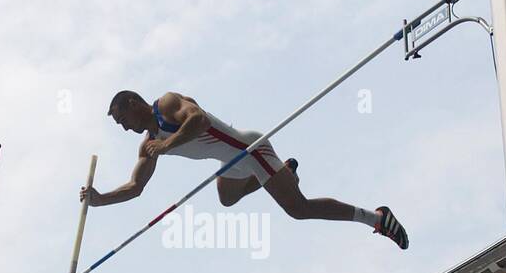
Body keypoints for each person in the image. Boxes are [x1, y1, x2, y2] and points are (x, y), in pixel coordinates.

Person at [80, 91, 409, 249]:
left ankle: (378, 218)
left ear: (134, 105)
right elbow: (136, 187)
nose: (124, 129)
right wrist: (98, 199)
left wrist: (168, 145)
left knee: (298, 209)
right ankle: (285, 173)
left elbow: (199, 120)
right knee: (226, 199)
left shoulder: (166, 105)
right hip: (230, 163)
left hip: (249, 150)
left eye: (123, 120)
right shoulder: (148, 144)